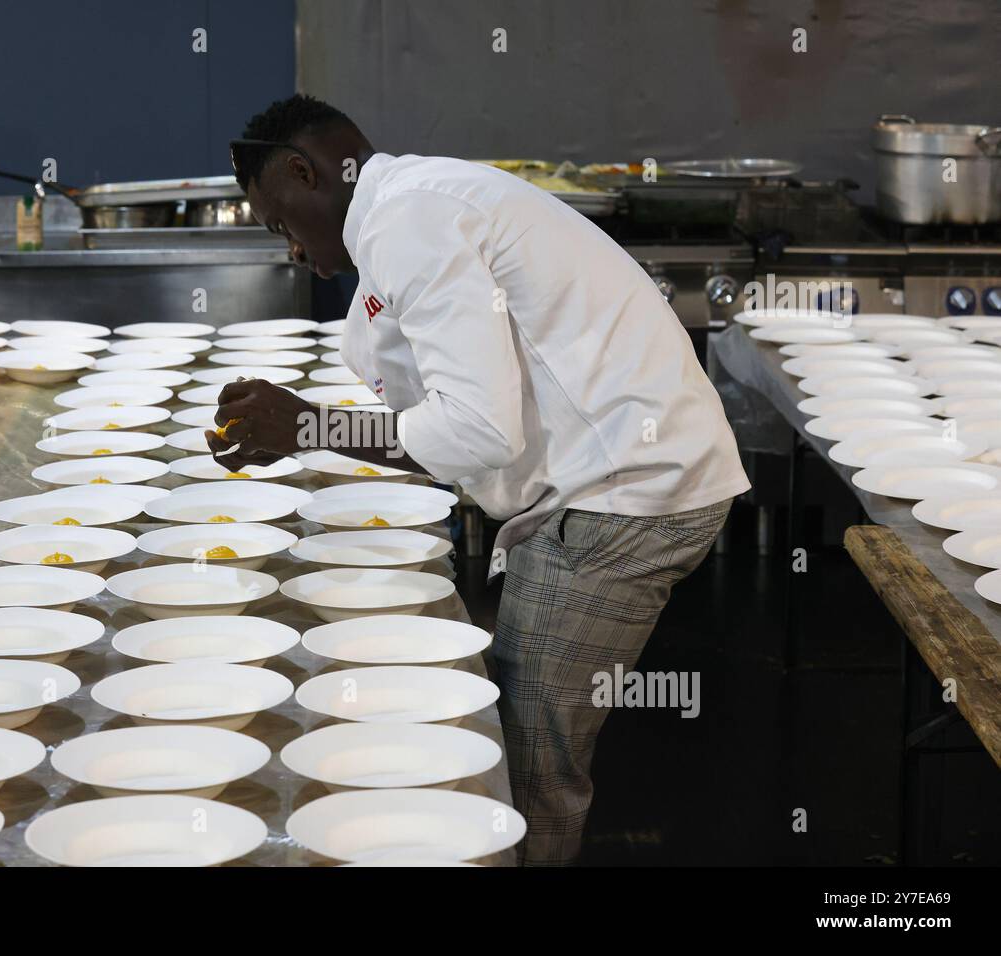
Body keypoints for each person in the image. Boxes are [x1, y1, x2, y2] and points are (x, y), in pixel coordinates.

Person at [213, 94, 750, 866]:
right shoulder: (408, 204)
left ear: (305, 172)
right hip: (610, 479)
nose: (291, 250)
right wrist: (311, 427)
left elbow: (478, 429)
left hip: (623, 500)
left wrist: (308, 430)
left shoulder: (410, 221)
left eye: (278, 223)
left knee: (529, 766)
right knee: (517, 735)